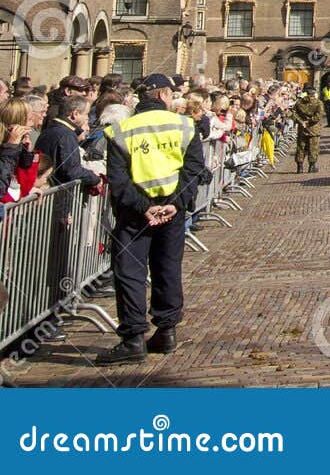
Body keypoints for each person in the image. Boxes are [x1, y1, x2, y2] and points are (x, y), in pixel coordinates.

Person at [96, 73, 208, 364]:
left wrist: (143, 206)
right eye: (172, 94)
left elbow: (118, 180)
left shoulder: (121, 130)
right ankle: (166, 331)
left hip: (135, 213)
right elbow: (194, 169)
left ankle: (133, 338)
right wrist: (174, 203)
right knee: (167, 268)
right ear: (163, 96)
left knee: (130, 273)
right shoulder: (185, 125)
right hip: (171, 211)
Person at [34, 93, 102, 195]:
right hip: (55, 193)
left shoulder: (52, 129)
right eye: (86, 114)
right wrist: (94, 178)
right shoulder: (65, 134)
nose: (86, 117)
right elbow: (71, 170)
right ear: (75, 113)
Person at [0, 99, 39, 202]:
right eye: (30, 118)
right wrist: (10, 148)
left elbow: (25, 186)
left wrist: (28, 153)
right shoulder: (7, 148)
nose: (32, 123)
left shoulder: (18, 146)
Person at [291, 85, 323, 173]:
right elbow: (319, 116)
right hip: (314, 129)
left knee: (301, 147)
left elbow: (293, 113)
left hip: (302, 128)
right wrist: (309, 122)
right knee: (313, 147)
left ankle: (299, 167)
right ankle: (311, 166)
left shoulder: (299, 102)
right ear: (314, 93)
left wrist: (301, 121)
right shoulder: (318, 103)